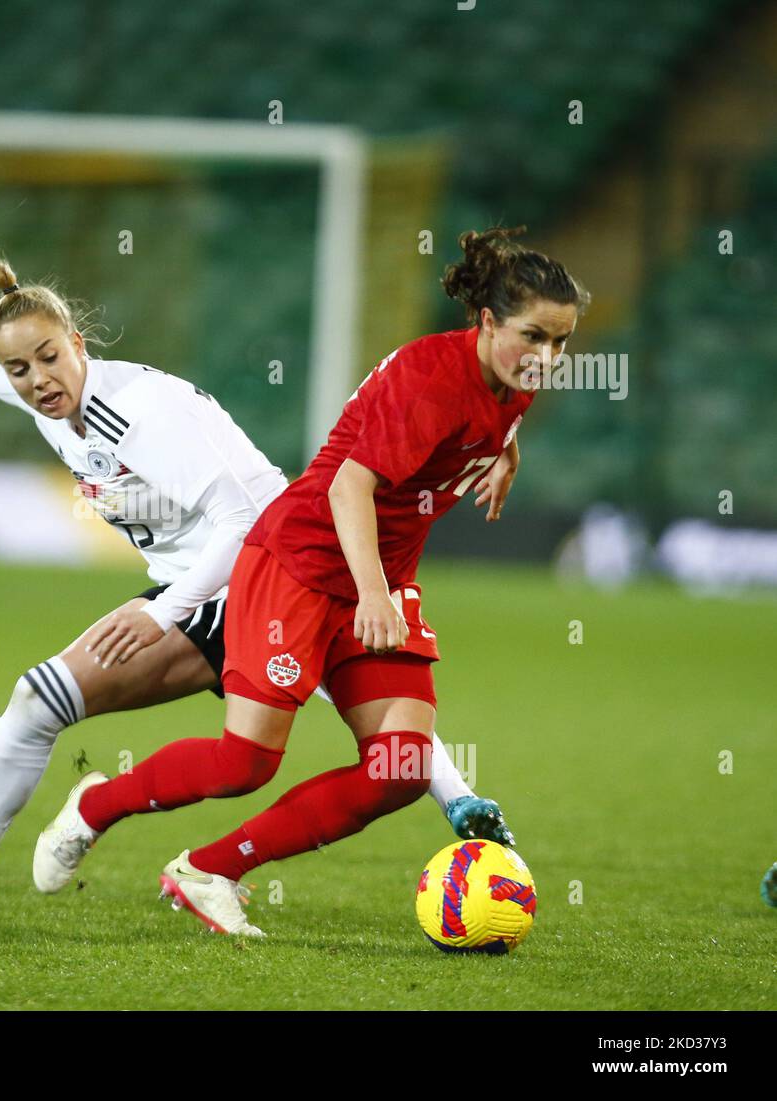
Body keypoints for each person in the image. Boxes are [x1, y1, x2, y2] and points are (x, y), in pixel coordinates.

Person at [0, 238, 510, 910]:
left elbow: (239, 518)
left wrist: (163, 611)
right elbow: (14, 379)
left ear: (80, 344)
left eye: (49, 359)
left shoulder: (142, 415)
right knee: (49, 705)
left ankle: (439, 801)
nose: (38, 381)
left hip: (265, 564)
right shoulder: (55, 403)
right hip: (210, 584)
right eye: (21, 369)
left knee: (264, 741)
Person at [38, 226, 587, 935]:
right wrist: (374, 595)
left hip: (375, 576)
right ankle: (96, 804)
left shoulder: (510, 376)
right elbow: (349, 488)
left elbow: (490, 419)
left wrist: (506, 451)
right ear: (485, 323)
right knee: (245, 762)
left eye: (563, 343)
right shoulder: (432, 379)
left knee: (400, 768)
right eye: (534, 337)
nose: (547, 359)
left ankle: (209, 869)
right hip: (300, 561)